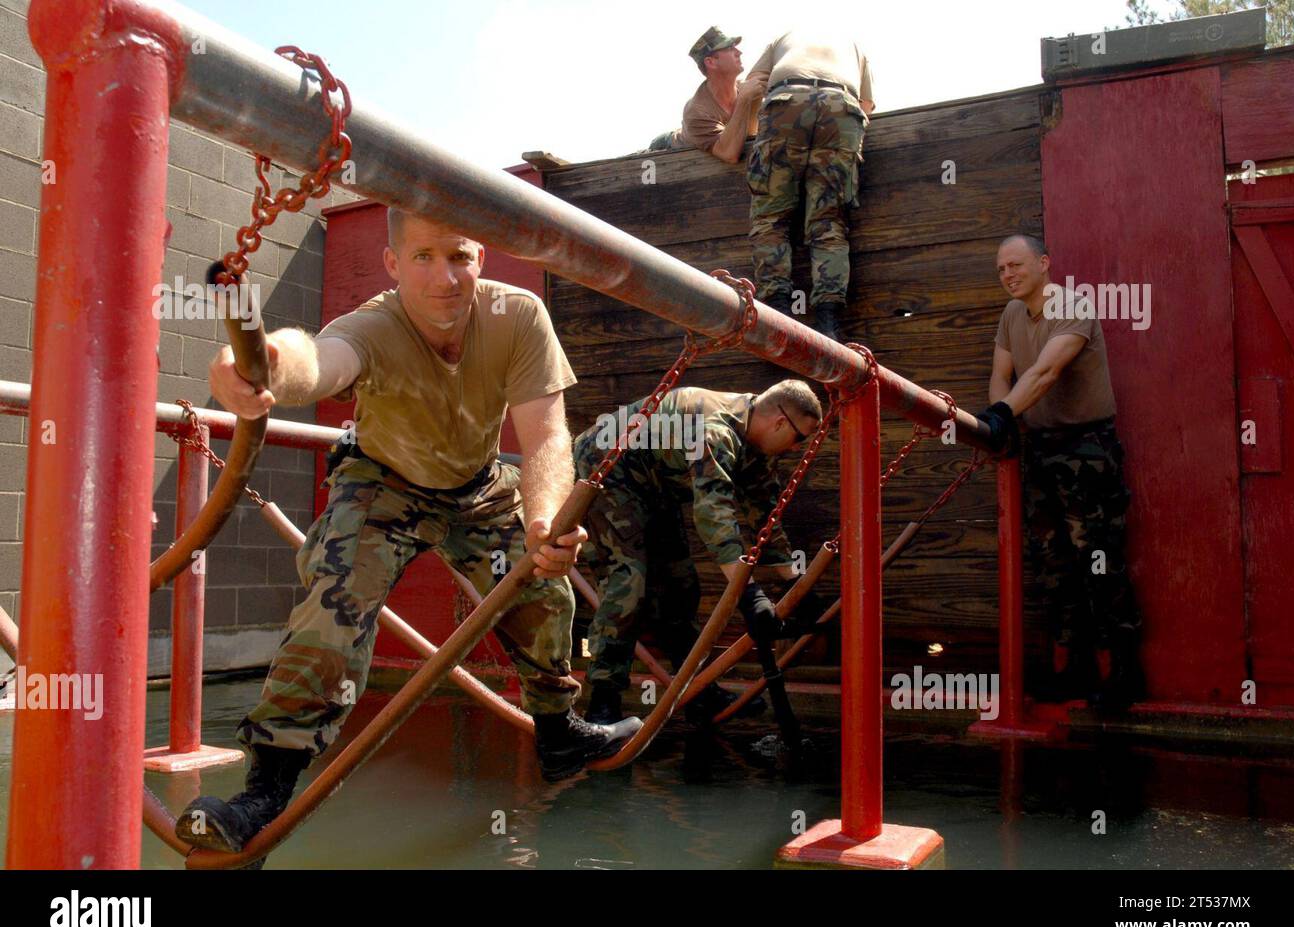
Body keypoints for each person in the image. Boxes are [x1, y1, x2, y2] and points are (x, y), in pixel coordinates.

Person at [175, 211, 640, 857]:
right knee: (334, 601)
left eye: (460, 256)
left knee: (544, 591)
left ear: (482, 255)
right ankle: (267, 785)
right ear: (392, 263)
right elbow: (319, 361)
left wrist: (542, 521)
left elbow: (545, 435)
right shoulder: (373, 324)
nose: (445, 277)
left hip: (477, 486)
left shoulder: (518, 316)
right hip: (382, 482)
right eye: (423, 257)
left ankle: (558, 731)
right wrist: (270, 366)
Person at [572, 381, 827, 725]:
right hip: (607, 471)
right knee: (628, 583)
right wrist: (749, 596)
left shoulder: (755, 442)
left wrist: (795, 585)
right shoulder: (715, 431)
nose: (798, 448)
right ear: (781, 423)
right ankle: (603, 704)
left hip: (653, 484)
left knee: (681, 584)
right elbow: (713, 515)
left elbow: (764, 513)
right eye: (800, 439)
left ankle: (699, 690)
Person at [977, 234, 1144, 711]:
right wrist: (1000, 420)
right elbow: (1001, 374)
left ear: (1044, 263)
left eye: (1016, 265)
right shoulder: (1011, 315)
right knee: (1053, 560)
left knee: (1097, 557)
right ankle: (1077, 669)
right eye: (1001, 268)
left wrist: (1003, 414)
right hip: (1041, 447)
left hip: (1087, 447)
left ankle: (1127, 672)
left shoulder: (1073, 306)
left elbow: (1047, 372)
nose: (1008, 274)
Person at [743, 30, 874, 342]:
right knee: (829, 222)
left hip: (786, 101)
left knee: (771, 218)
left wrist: (750, 131)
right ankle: (828, 323)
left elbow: (750, 87)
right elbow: (866, 105)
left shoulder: (782, 39)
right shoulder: (853, 45)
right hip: (842, 107)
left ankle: (777, 315)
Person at [679, 26, 767, 163]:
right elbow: (728, 154)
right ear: (710, 62)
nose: (739, 52)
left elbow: (751, 133)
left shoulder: (743, 88)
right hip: (670, 144)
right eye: (730, 48)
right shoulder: (696, 111)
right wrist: (744, 99)